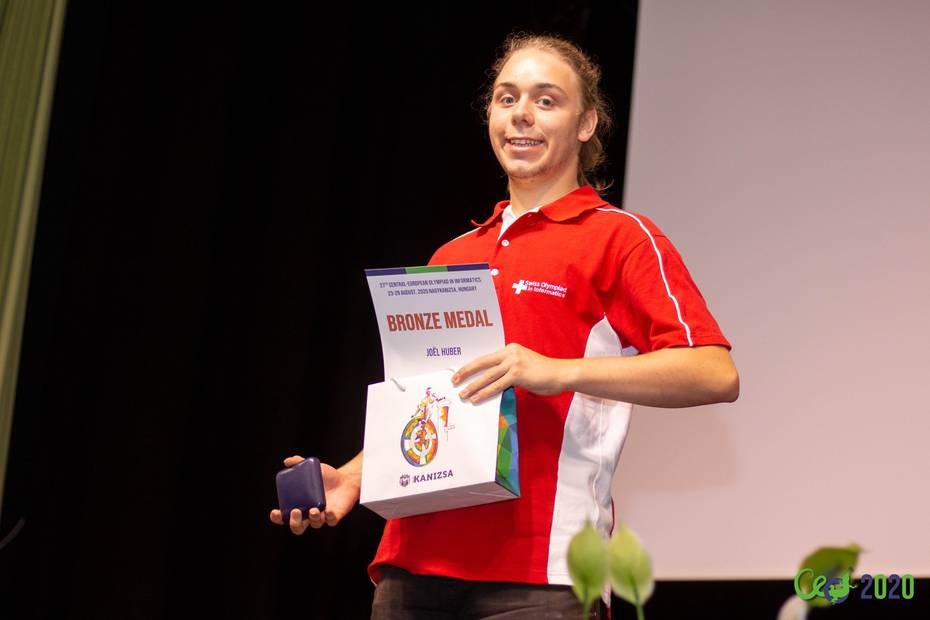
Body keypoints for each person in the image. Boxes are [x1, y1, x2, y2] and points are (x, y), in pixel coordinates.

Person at [270, 31, 739, 619]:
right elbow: (435, 398)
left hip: (543, 574)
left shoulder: (621, 238)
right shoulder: (453, 254)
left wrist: (555, 371)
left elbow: (713, 372)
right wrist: (355, 477)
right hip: (413, 566)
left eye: (547, 100)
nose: (521, 114)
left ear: (587, 123)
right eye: (506, 97)